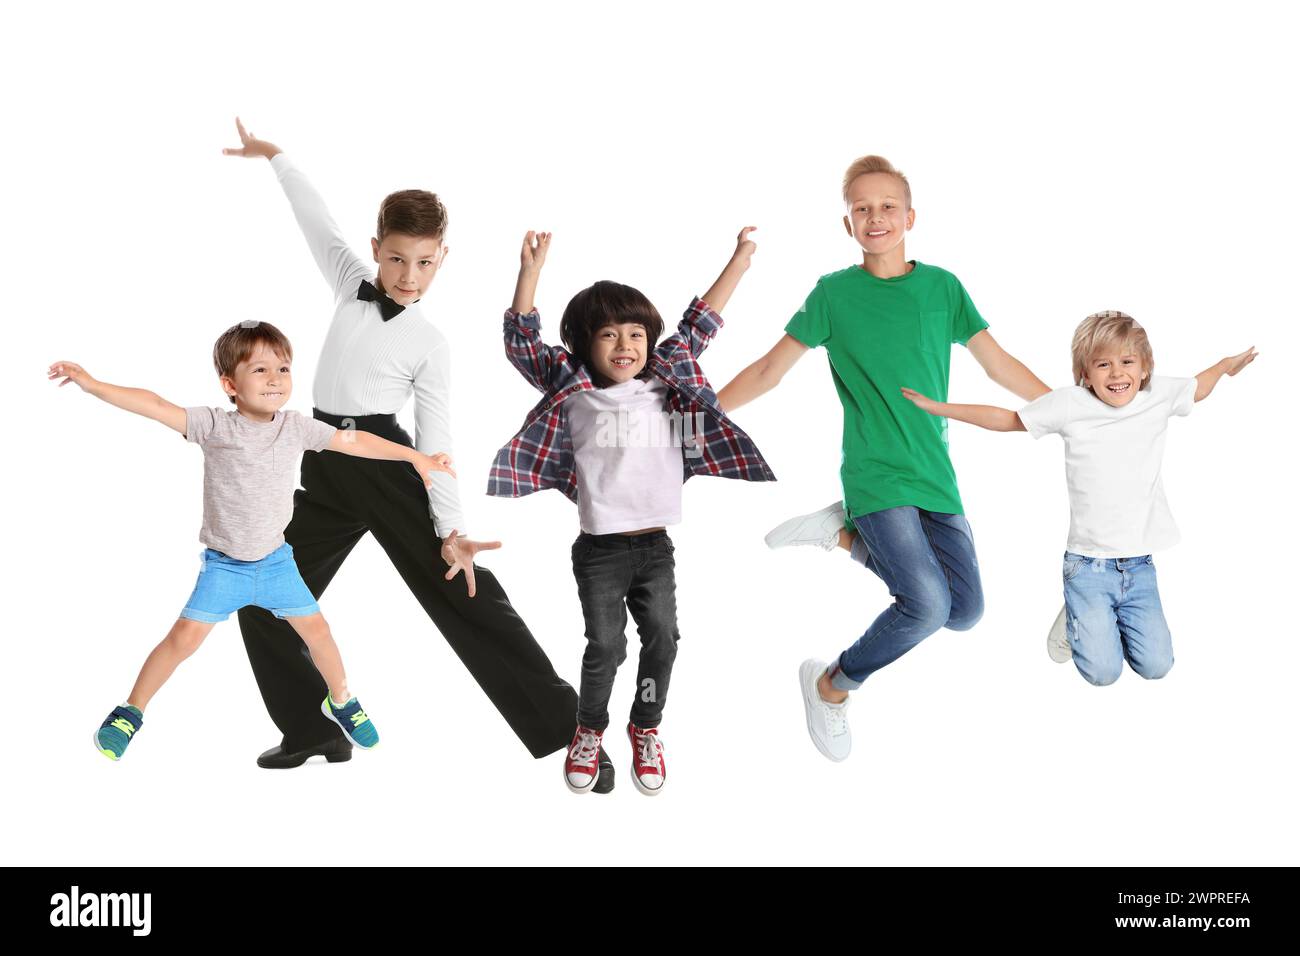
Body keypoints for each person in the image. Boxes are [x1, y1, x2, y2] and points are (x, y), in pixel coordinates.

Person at [222, 119, 609, 784]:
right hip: (324, 459)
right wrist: (277, 156)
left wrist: (452, 528)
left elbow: (438, 442)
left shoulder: (430, 343)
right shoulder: (350, 282)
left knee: (464, 591)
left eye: (424, 262)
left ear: (443, 258)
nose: (409, 275)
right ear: (376, 250)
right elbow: (314, 218)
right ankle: (312, 731)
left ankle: (569, 732)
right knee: (259, 594)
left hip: (384, 465)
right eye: (397, 259)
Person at [716, 155, 1050, 761]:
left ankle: (841, 536)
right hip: (874, 474)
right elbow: (769, 369)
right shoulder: (833, 295)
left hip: (935, 477)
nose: (876, 217)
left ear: (910, 216)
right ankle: (831, 686)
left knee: (964, 611)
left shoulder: (943, 287)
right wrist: (703, 412)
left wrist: (1061, 408)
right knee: (924, 606)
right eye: (862, 209)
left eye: (887, 206)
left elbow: (998, 363)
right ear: (847, 224)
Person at [49, 320, 453, 759]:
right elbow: (155, 404)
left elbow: (353, 440)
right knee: (182, 640)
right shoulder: (213, 426)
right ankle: (129, 713)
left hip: (277, 564)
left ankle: (341, 700)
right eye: (260, 370)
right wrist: (92, 384)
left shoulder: (296, 427)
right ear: (230, 384)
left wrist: (414, 456)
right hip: (226, 567)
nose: (275, 379)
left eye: (283, 368)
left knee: (319, 633)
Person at [489, 228, 774, 793]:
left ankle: (645, 727)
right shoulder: (571, 384)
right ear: (584, 346)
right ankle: (588, 731)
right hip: (600, 550)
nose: (626, 345)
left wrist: (738, 260)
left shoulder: (665, 375)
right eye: (609, 335)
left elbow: (703, 321)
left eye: (636, 333)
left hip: (656, 547)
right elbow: (521, 341)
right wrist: (530, 272)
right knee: (607, 646)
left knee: (664, 638)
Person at [902, 310, 1257, 684]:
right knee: (1102, 674)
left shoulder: (1158, 396)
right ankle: (1080, 613)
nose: (1117, 374)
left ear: (1145, 368)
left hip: (1139, 567)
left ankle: (1096, 619)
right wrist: (939, 409)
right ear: (1085, 374)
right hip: (1086, 566)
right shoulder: (1070, 405)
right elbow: (1006, 419)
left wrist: (1224, 366)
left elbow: (1198, 387)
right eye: (1103, 364)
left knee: (1157, 667)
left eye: (1126, 362)